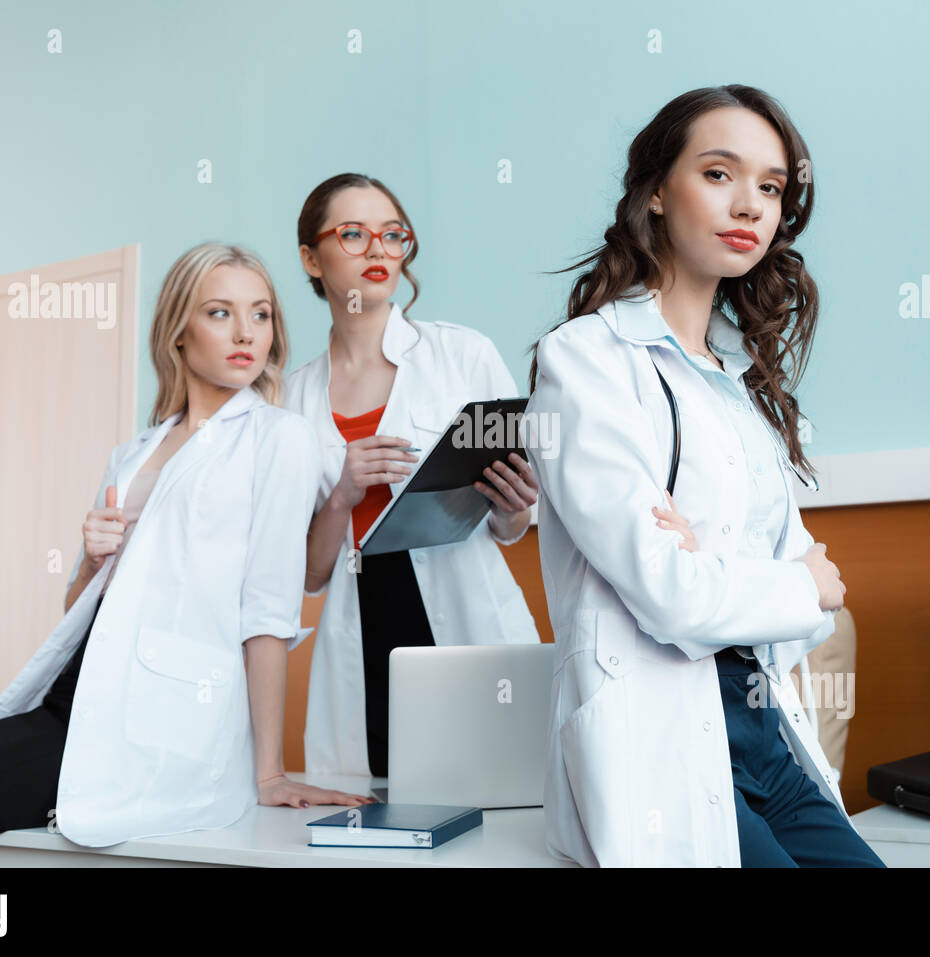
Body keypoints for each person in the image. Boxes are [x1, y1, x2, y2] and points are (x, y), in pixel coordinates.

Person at [0, 242, 372, 866]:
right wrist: (94, 559)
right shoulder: (133, 453)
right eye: (219, 313)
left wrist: (267, 773)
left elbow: (267, 609)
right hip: (73, 694)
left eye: (260, 314)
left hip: (154, 722)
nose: (245, 333)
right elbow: (79, 606)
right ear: (178, 331)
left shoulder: (279, 439)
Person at [525, 85, 886, 867]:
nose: (750, 205)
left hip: (765, 740)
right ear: (656, 191)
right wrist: (771, 581)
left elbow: (816, 600)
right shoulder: (586, 360)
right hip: (659, 746)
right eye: (719, 174)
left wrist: (729, 574)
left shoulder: (741, 378)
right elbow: (669, 593)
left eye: (770, 186)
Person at [286, 173, 541, 778]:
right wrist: (342, 496)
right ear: (310, 259)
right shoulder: (291, 399)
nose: (378, 250)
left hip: (467, 614)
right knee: (374, 805)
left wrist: (515, 502)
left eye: (392, 234)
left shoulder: (463, 356)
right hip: (364, 628)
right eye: (353, 234)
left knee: (504, 803)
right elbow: (311, 574)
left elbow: (513, 527)